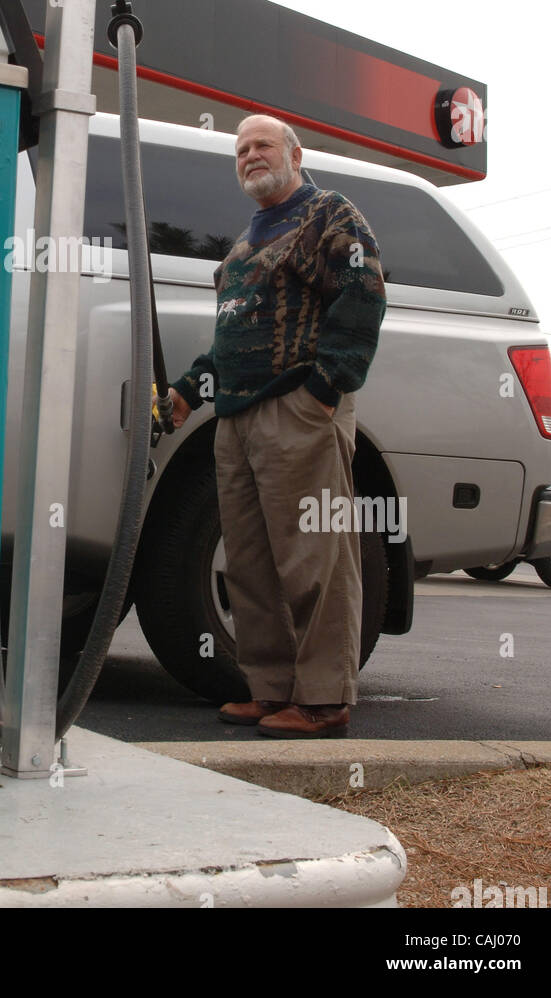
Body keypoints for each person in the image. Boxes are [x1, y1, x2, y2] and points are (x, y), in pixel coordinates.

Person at [167, 114, 386, 738]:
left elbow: (362, 295)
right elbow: (229, 341)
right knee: (249, 563)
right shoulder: (243, 244)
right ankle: (270, 688)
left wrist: (324, 390)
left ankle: (323, 700)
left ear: (295, 153)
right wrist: (186, 394)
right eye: (241, 150)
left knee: (314, 555)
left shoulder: (329, 214)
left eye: (262, 145)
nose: (250, 156)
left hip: (297, 407)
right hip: (235, 418)